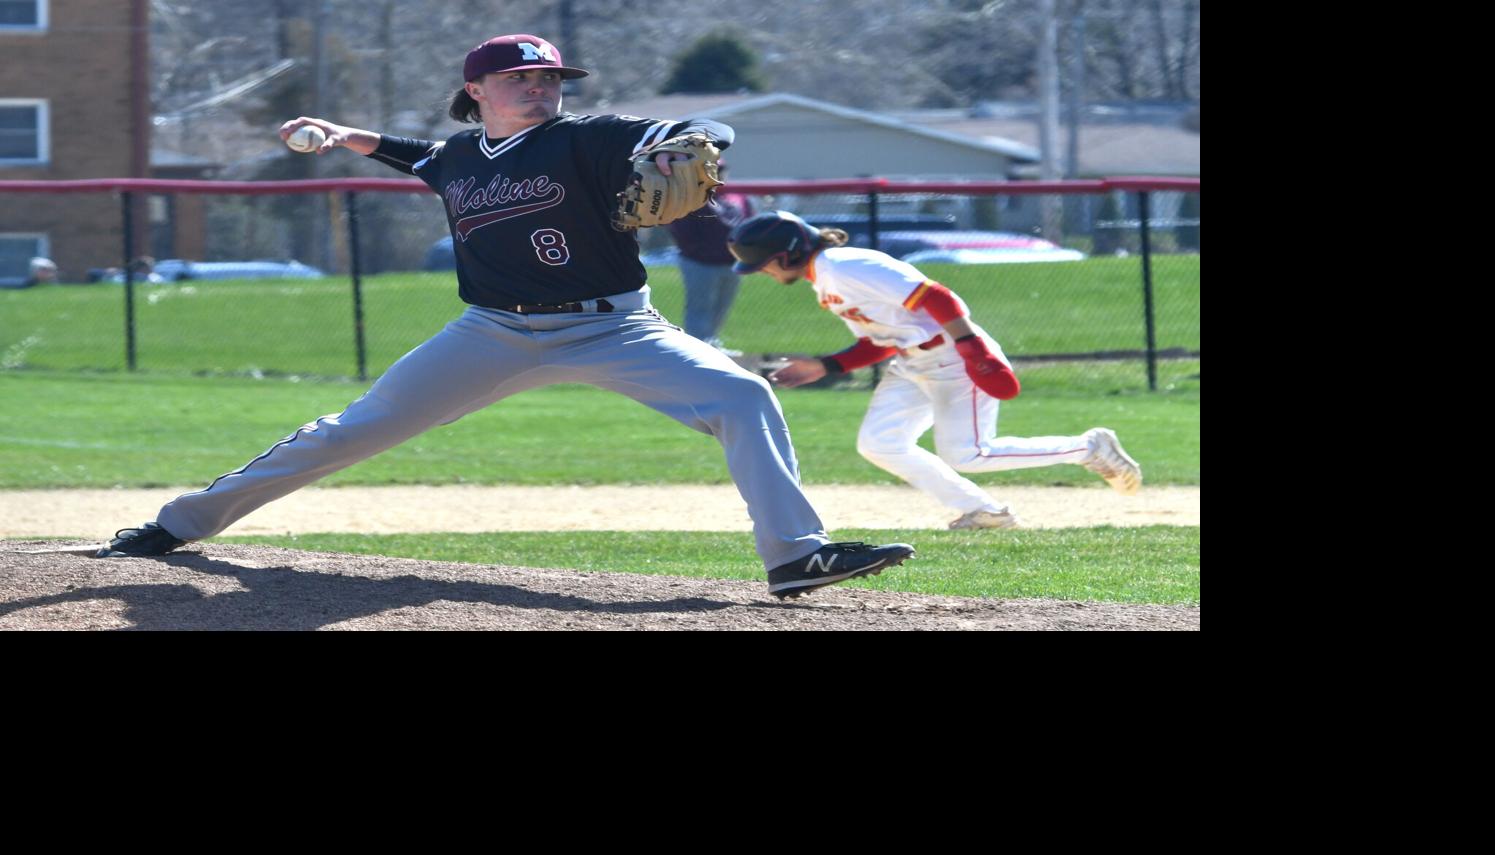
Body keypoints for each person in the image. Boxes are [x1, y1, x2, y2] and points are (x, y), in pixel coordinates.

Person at [96, 34, 913, 600]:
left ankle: (797, 558)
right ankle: (178, 525)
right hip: (490, 332)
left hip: (615, 326)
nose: (540, 87)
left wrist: (699, 135)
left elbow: (690, 130)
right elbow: (417, 154)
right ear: (475, 93)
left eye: (549, 78)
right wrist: (346, 135)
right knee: (349, 430)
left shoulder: (587, 139)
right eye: (521, 79)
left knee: (743, 398)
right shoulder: (456, 156)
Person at [728, 211, 1141, 530]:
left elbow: (935, 296)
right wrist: (826, 366)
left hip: (950, 357)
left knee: (969, 454)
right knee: (880, 443)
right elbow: (882, 339)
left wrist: (971, 346)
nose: (761, 271)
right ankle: (984, 512)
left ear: (787, 254)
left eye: (763, 263)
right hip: (912, 362)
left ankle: (1088, 448)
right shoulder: (826, 278)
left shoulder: (845, 264)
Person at [665, 161, 755, 353]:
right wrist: (696, 250)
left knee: (721, 307)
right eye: (713, 171)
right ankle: (697, 350)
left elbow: (749, 223)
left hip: (732, 262)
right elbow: (680, 228)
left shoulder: (738, 196)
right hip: (699, 262)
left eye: (721, 170)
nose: (718, 175)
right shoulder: (692, 196)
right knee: (699, 308)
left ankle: (713, 346)